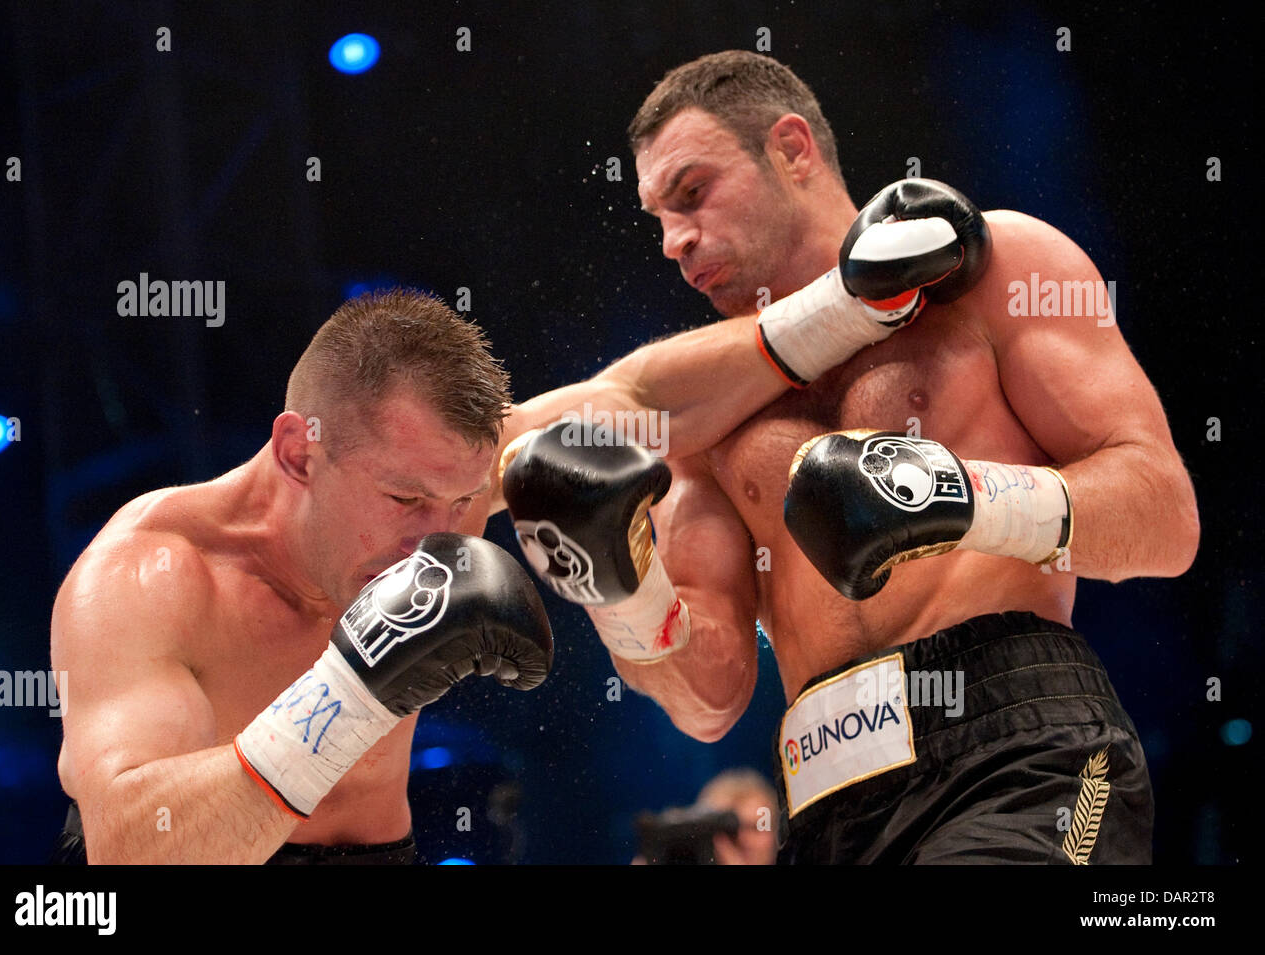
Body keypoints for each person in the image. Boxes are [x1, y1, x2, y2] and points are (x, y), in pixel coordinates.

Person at [503, 51, 1199, 864]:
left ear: (793, 149)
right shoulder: (705, 418)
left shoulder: (994, 266)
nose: (674, 241)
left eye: (691, 194)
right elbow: (712, 695)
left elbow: (1164, 515)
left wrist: (956, 498)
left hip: (1016, 753)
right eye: (657, 216)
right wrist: (618, 589)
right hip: (825, 801)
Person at [50, 277, 903, 865]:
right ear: (296, 450)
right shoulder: (149, 573)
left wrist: (846, 305)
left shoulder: (445, 482)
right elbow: (130, 843)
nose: (442, 536)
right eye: (404, 498)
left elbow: (643, 403)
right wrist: (356, 688)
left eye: (463, 499)